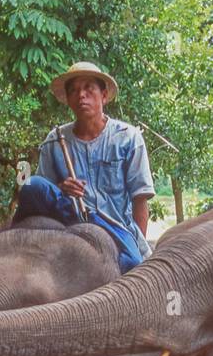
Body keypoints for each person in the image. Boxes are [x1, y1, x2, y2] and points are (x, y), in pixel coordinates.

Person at [14, 62, 155, 272]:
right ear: (68, 101)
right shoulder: (55, 140)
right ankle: (14, 243)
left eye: (89, 88)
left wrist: (137, 241)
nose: (81, 95)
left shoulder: (127, 137)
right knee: (31, 185)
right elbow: (44, 190)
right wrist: (62, 188)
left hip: (114, 224)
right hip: (70, 215)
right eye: (74, 91)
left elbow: (140, 198)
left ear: (104, 95)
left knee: (132, 264)